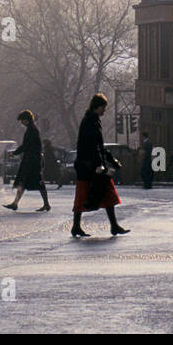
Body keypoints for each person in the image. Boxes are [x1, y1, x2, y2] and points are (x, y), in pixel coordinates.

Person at [72, 93, 128, 237]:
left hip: (86, 164)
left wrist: (110, 160)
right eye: (103, 108)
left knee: (85, 193)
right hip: (90, 164)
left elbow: (98, 145)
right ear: (97, 107)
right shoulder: (91, 121)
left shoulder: (90, 119)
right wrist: (100, 164)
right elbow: (94, 145)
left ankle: (77, 226)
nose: (104, 111)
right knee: (103, 192)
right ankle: (113, 226)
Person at [4, 110, 51, 212]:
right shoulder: (32, 129)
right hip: (32, 159)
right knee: (25, 182)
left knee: (35, 182)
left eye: (22, 120)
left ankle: (46, 204)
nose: (21, 123)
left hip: (32, 160)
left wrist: (15, 152)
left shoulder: (31, 130)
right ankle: (15, 203)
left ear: (26, 120)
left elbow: (26, 145)